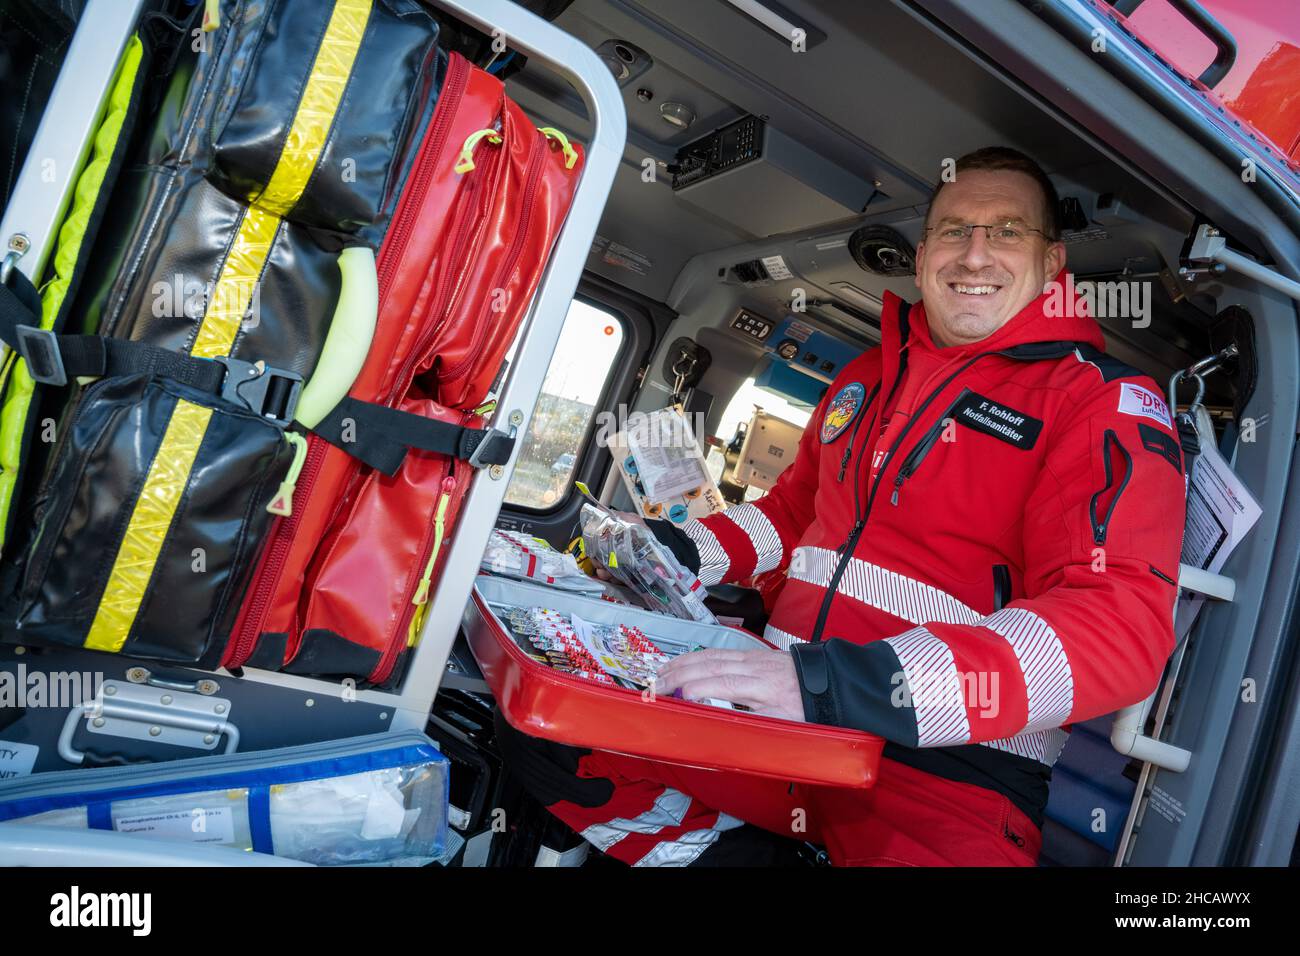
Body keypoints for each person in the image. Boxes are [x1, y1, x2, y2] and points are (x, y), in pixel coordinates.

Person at [495, 146, 1186, 866]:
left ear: (1051, 265)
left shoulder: (1098, 403)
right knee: (548, 730)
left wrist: (835, 685)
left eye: (1007, 231)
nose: (975, 254)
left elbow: (1117, 625)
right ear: (922, 259)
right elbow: (793, 519)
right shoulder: (866, 377)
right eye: (953, 231)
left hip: (944, 777)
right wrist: (669, 552)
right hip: (777, 726)